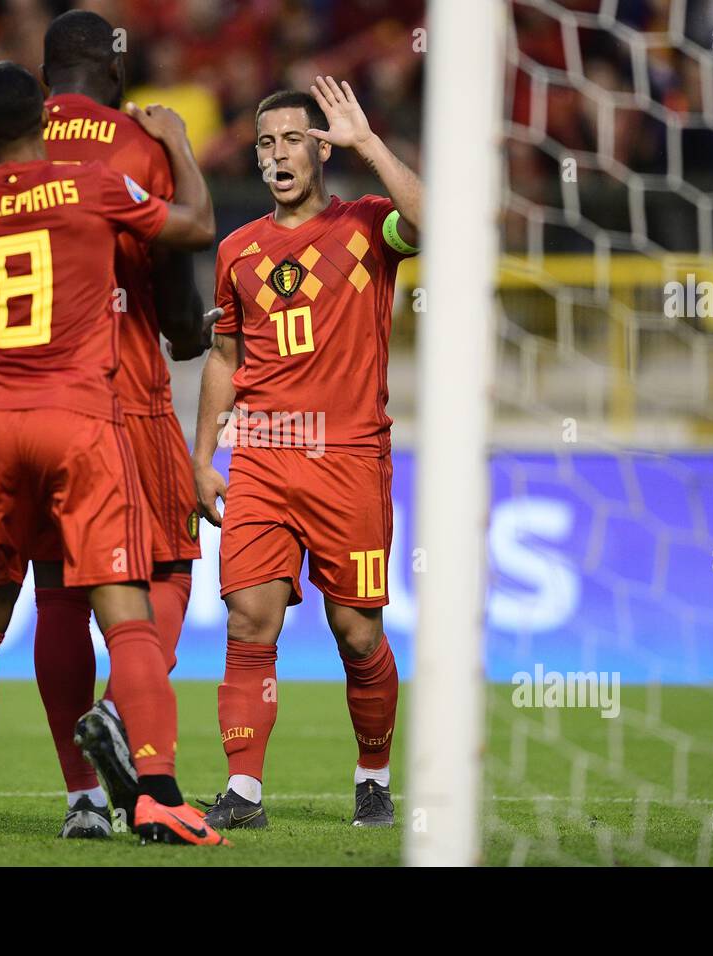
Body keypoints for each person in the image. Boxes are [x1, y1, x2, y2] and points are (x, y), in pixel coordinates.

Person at [0, 60, 223, 846]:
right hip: (79, 420)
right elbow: (194, 226)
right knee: (124, 613)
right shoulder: (86, 186)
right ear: (46, 124)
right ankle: (156, 792)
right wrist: (181, 144)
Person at [193, 78, 421, 829]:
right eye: (265, 144)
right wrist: (204, 456)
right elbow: (224, 357)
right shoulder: (236, 251)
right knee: (249, 620)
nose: (277, 154)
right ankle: (244, 793)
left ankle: (374, 777)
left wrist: (371, 145)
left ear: (320, 148)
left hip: (350, 456)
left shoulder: (367, 229)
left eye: (292, 138)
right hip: (261, 453)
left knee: (357, 632)